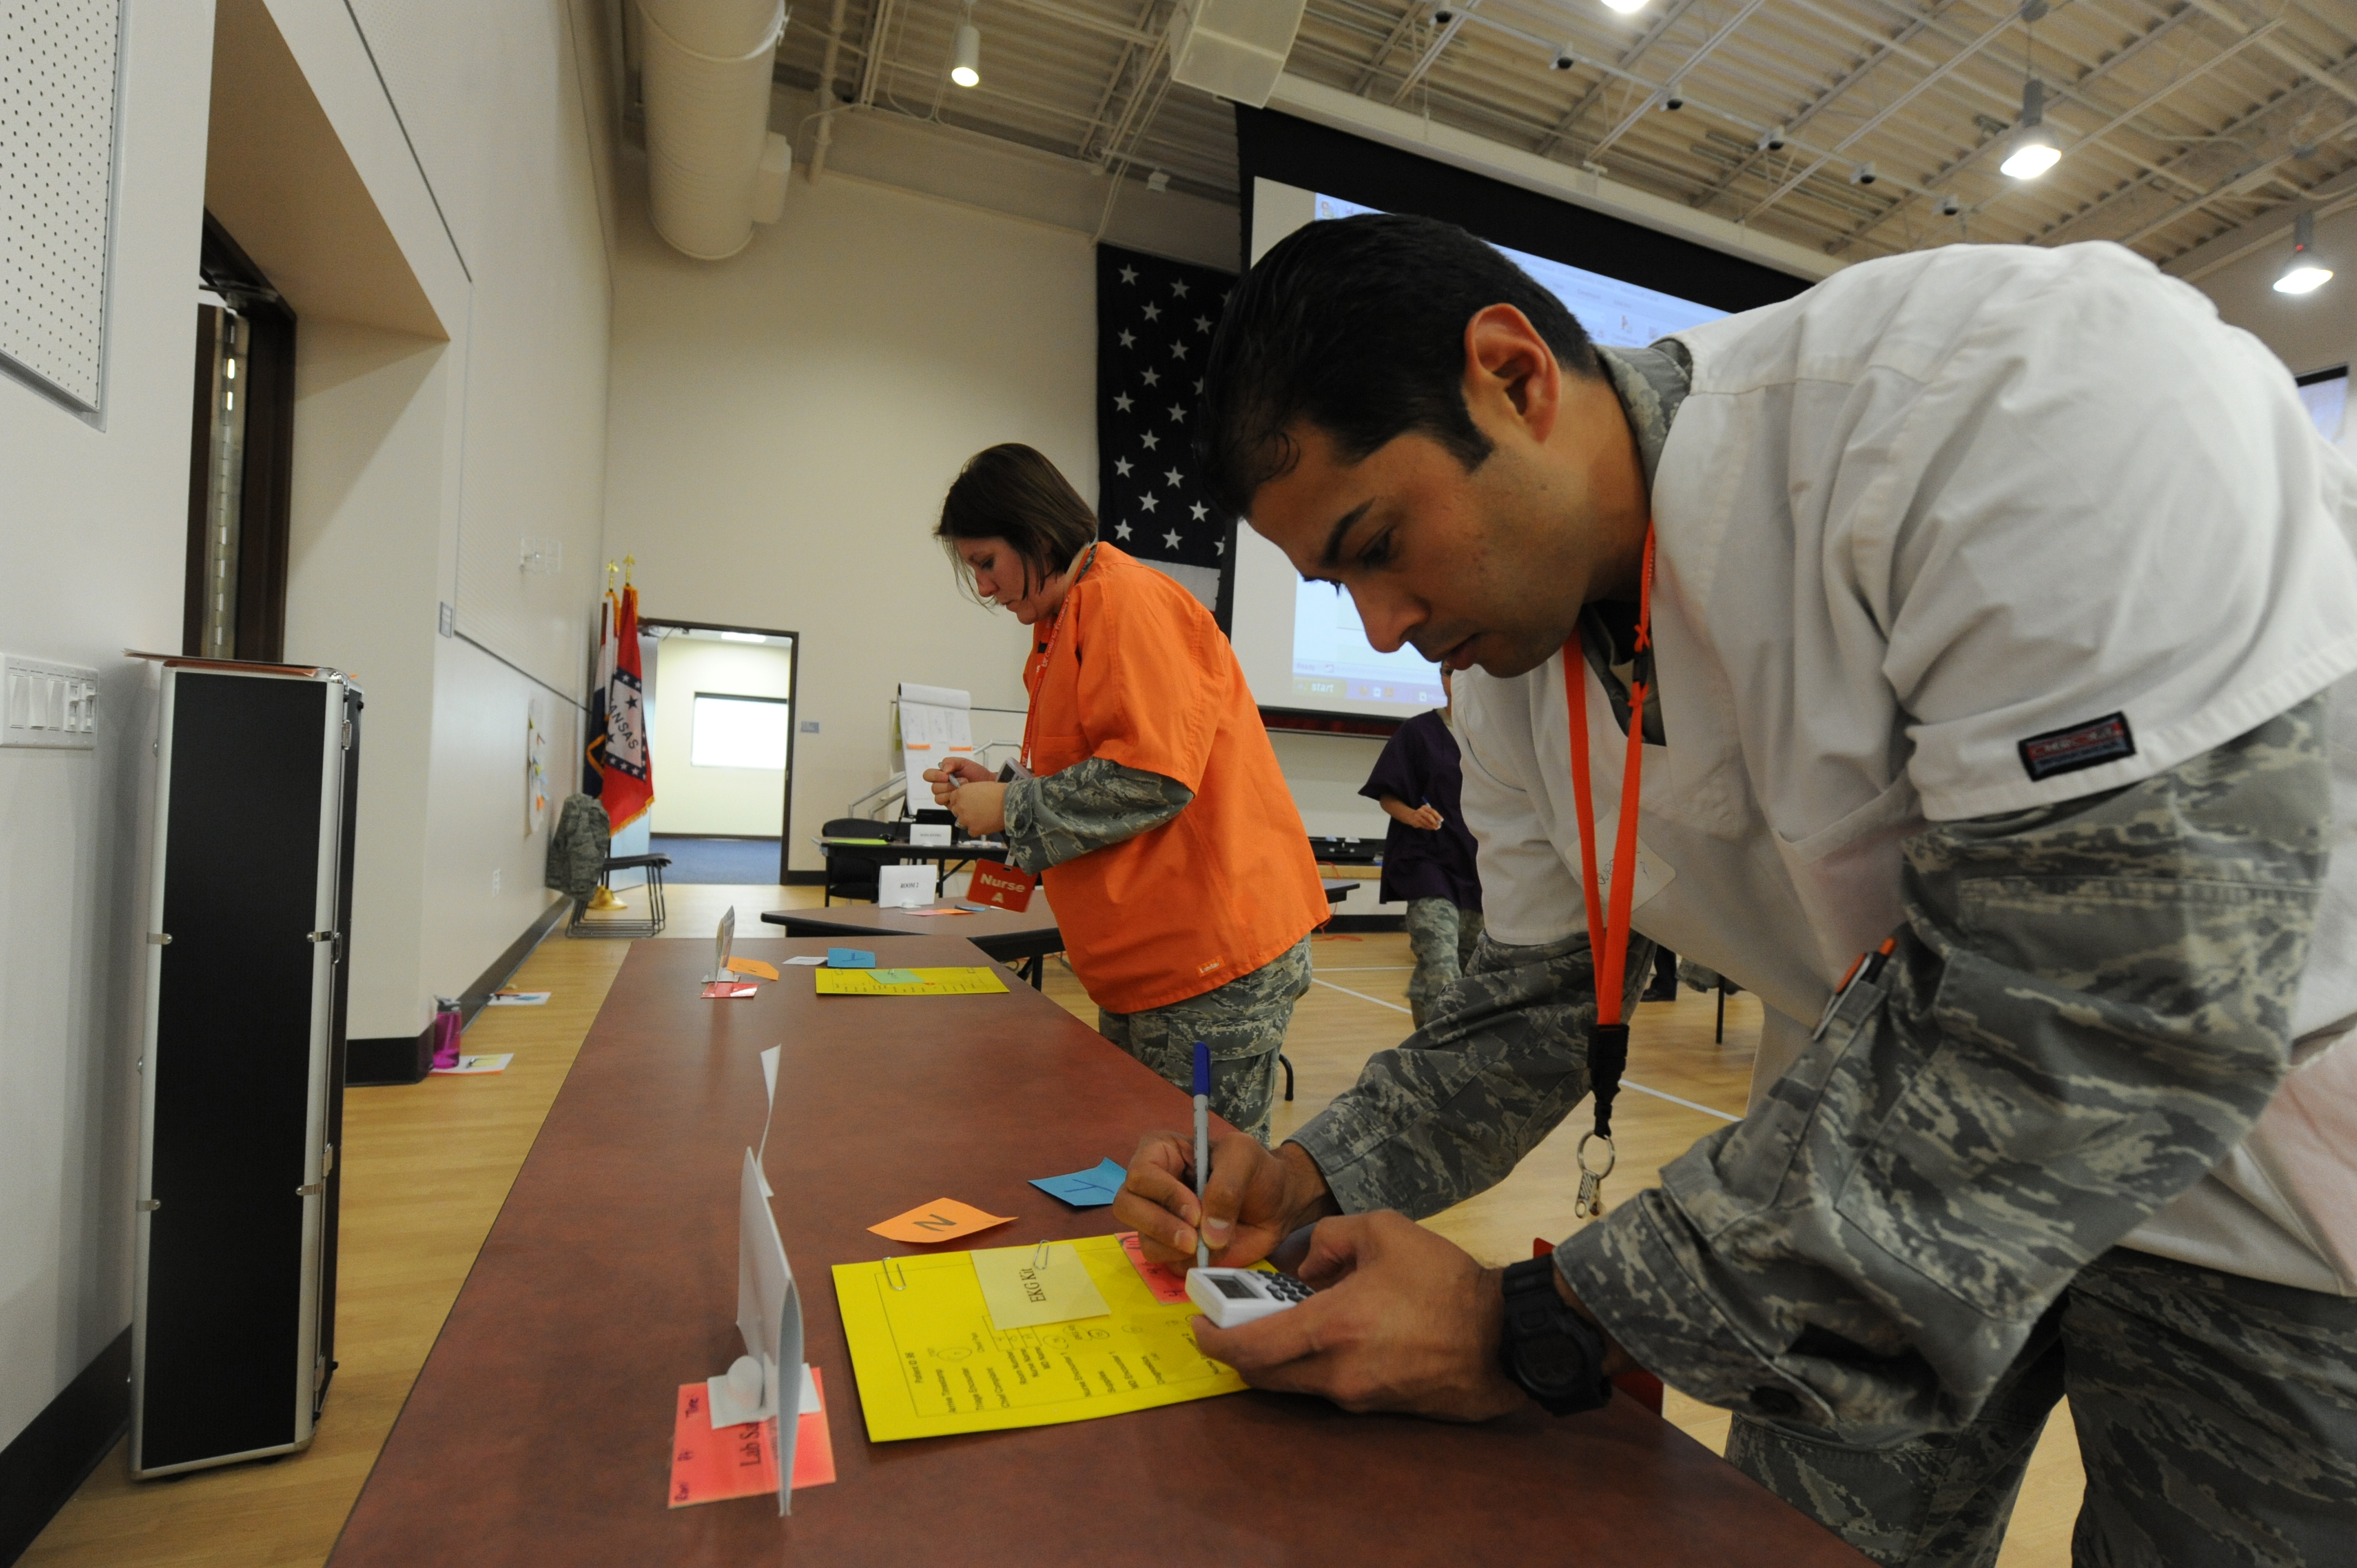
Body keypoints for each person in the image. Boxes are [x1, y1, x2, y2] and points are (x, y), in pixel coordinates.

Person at [1114, 214, 2357, 1565]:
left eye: (1374, 542)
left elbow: (2104, 1011)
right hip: (1857, 1151)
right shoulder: (1510, 674)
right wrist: (1305, 1174)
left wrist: (1537, 1324)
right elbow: (1529, 1006)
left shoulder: (2005, 395)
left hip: (2261, 1171)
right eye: (1335, 581)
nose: (1381, 625)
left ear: (1514, 376)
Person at [925, 443, 1329, 1144]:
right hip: (1153, 964)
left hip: (1206, 963)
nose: (985, 589)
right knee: (1149, 1175)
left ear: (1036, 534)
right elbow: (1109, 765)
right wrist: (1004, 790)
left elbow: (1153, 778)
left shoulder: (1122, 600)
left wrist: (1013, 809)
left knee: (1203, 1193)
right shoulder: (1067, 622)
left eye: (986, 563)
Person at [1358, 667, 1483, 1027]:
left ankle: (1435, 1037)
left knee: (1466, 970)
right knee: (1441, 965)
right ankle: (1435, 1050)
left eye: (1459, 674)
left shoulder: (1496, 737)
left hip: (1479, 868)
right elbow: (1387, 794)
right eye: (1446, 673)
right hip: (1428, 865)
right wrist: (1412, 815)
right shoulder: (1417, 732)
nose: (1452, 680)